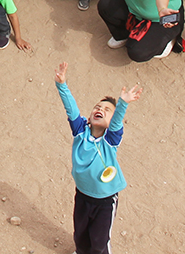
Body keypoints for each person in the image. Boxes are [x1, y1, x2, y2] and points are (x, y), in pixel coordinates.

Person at [53, 62, 141, 254]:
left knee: (100, 242)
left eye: (107, 110)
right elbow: (71, 109)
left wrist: (123, 103)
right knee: (81, 236)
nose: (99, 109)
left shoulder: (111, 140)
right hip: (83, 195)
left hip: (105, 201)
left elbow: (117, 121)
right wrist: (62, 84)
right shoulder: (80, 131)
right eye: (97, 107)